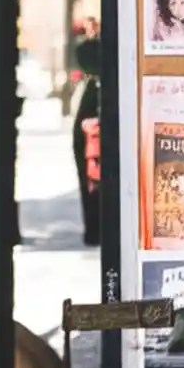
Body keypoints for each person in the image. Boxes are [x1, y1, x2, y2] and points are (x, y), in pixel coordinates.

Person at [72, 34, 102, 245]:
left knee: (91, 187)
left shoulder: (93, 85)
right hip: (92, 144)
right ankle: (94, 229)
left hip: (90, 146)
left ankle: (93, 229)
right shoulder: (96, 85)